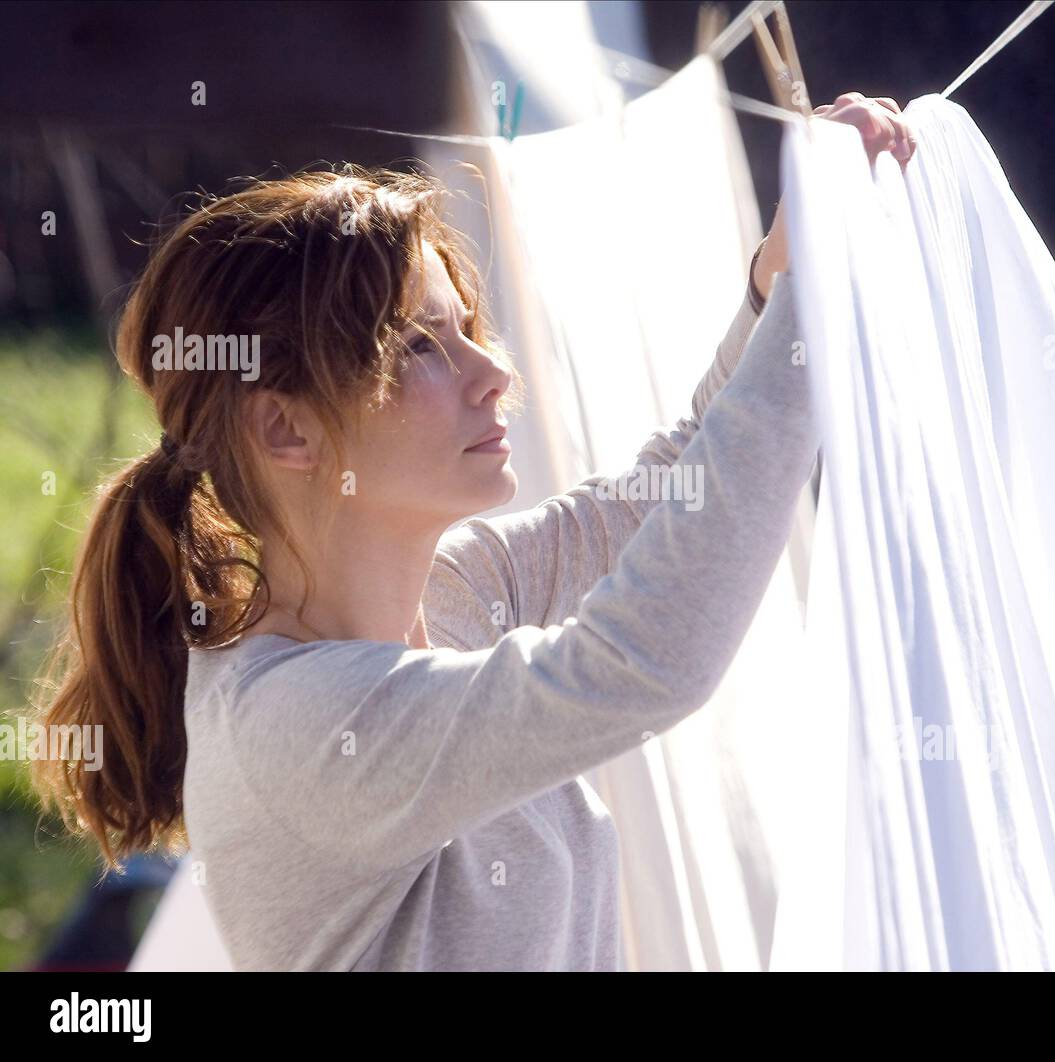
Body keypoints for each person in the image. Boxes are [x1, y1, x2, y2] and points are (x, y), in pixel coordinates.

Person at [30, 95, 914, 970]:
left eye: (464, 328)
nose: (492, 372)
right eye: (419, 346)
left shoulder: (439, 600)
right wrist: (810, 306)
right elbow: (640, 666)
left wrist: (771, 289)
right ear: (285, 431)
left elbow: (652, 503)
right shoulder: (300, 726)